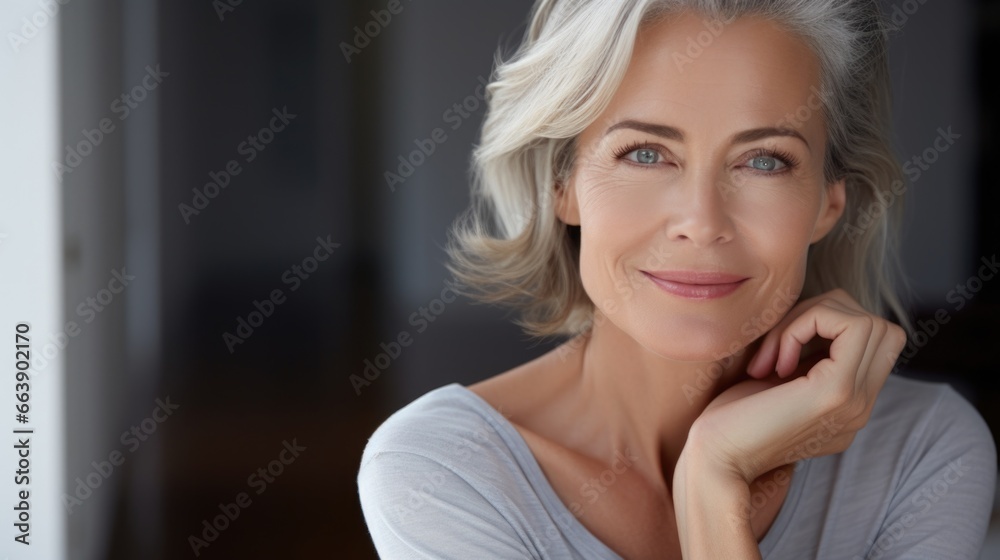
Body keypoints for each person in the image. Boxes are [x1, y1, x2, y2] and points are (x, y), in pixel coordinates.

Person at [358, 0, 997, 558]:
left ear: (829, 203)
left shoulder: (924, 450)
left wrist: (711, 481)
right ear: (562, 184)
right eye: (645, 153)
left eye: (764, 161)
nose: (702, 221)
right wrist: (715, 480)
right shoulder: (440, 470)